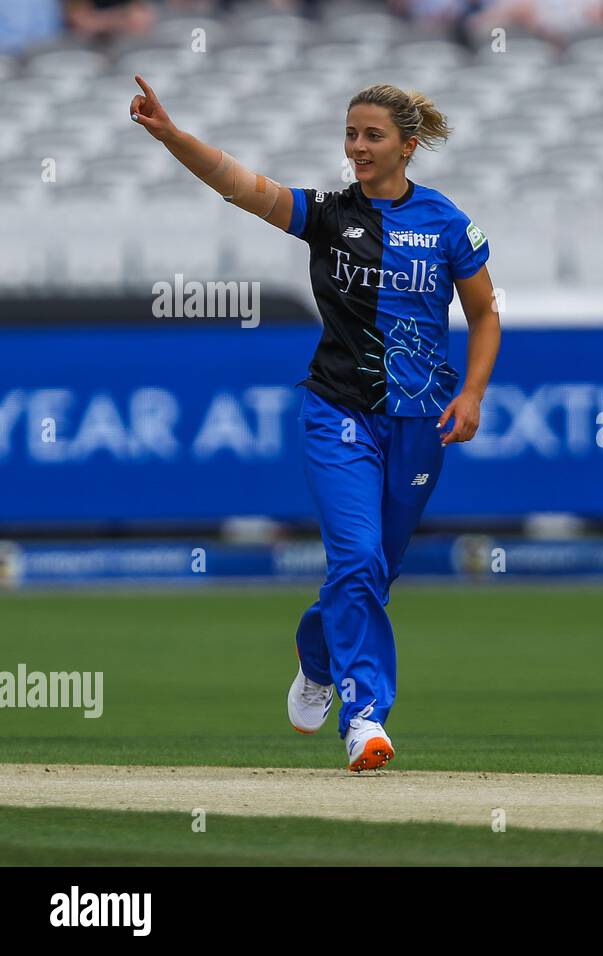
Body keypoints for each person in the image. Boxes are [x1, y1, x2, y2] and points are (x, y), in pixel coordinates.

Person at [128, 75, 501, 771]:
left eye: (373, 136)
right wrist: (172, 135)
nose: (357, 147)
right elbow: (241, 185)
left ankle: (317, 657)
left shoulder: (449, 223)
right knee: (357, 560)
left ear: (407, 146)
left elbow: (484, 314)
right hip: (339, 412)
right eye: (351, 133)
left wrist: (473, 393)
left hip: (420, 422)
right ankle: (367, 719)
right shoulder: (330, 215)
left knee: (374, 573)